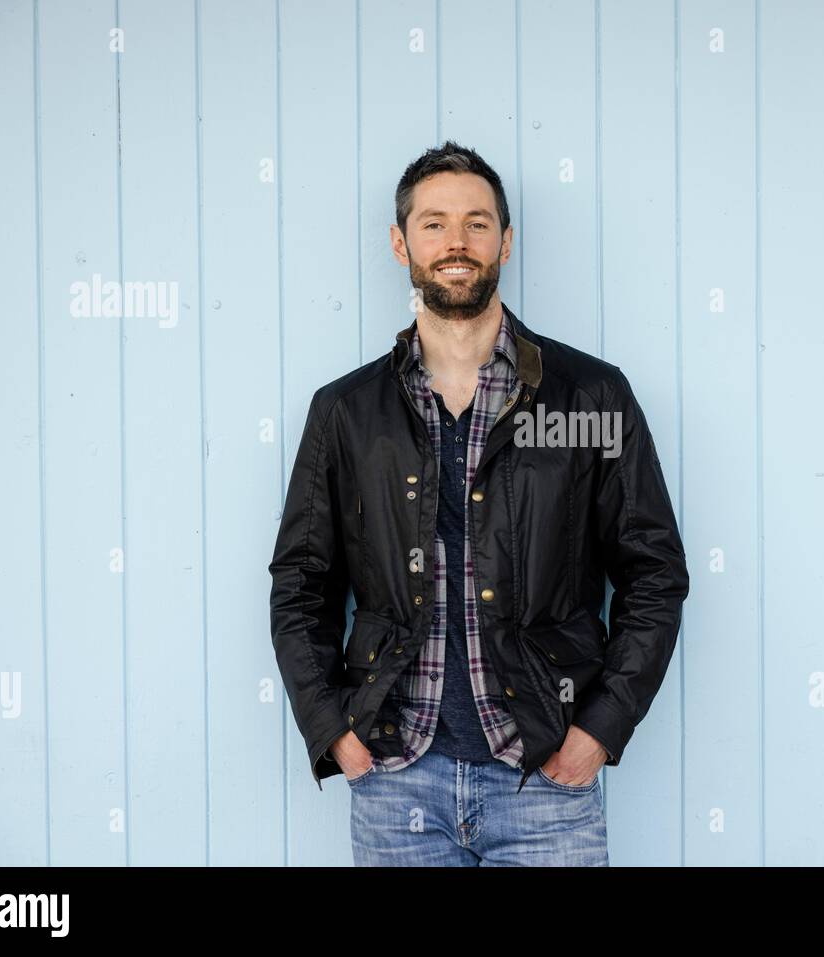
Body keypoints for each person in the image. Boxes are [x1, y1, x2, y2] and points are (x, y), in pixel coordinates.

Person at [269, 140, 689, 866]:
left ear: (506, 241)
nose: (456, 242)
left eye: (476, 222)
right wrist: (332, 726)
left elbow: (654, 572)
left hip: (545, 778)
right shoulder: (345, 410)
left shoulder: (591, 396)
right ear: (401, 244)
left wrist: (600, 729)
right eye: (433, 224)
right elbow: (301, 583)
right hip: (397, 780)